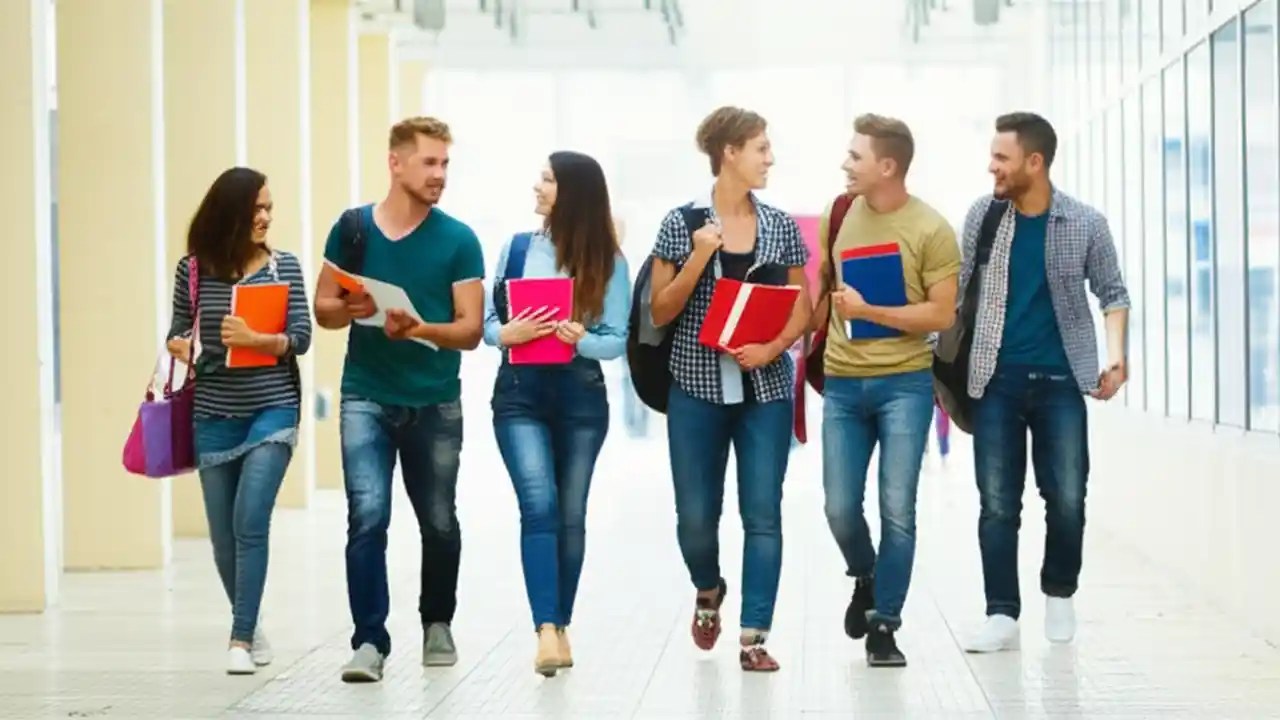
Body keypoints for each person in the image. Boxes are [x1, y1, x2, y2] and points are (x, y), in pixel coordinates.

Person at [313, 116, 485, 683]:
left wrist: (418, 330)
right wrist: (352, 310)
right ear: (396, 162)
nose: (439, 175)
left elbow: (469, 329)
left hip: (435, 400)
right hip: (366, 392)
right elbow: (324, 308)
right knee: (367, 516)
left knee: (437, 520)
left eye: (444, 165)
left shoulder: (459, 240)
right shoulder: (353, 229)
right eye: (430, 163)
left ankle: (437, 622)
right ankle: (369, 641)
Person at [648, 106, 811, 672]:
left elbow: (804, 308)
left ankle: (754, 636)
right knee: (695, 516)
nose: (770, 159)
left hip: (764, 388)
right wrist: (700, 254)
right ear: (730, 154)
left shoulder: (781, 225)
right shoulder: (680, 222)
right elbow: (661, 308)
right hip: (695, 387)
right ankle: (707, 586)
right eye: (761, 148)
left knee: (763, 511)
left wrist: (772, 348)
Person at [959, 112, 1129, 653]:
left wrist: (1117, 358)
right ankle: (1001, 612)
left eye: (1002, 157)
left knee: (1068, 496)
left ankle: (1059, 591)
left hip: (1061, 381)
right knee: (998, 504)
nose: (992, 167)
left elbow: (1113, 293)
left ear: (1035, 162)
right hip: (995, 380)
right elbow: (960, 292)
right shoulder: (984, 216)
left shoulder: (1085, 222)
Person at [817, 114, 960, 667]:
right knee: (838, 508)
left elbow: (942, 313)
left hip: (904, 384)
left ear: (887, 166)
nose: (845, 165)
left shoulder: (931, 229)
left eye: (855, 157)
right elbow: (827, 294)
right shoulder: (839, 214)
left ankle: (885, 623)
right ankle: (865, 573)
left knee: (897, 507)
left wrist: (869, 310)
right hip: (843, 386)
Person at [483, 151, 632, 676]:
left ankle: (560, 624)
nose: (538, 187)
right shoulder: (518, 248)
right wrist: (506, 333)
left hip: (580, 398)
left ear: (573, 191)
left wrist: (582, 339)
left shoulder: (609, 261)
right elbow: (487, 319)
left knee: (570, 514)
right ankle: (545, 629)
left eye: (547, 179)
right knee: (539, 504)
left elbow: (618, 340)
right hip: (519, 392)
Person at [165, 167, 312, 675]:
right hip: (212, 413)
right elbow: (177, 331)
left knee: (251, 521)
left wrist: (258, 342)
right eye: (256, 208)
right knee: (222, 537)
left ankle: (241, 638)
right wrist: (183, 345)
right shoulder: (193, 270)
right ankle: (250, 621)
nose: (266, 217)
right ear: (230, 213)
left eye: (269, 207)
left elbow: (302, 336)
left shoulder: (284, 268)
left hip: (272, 410)